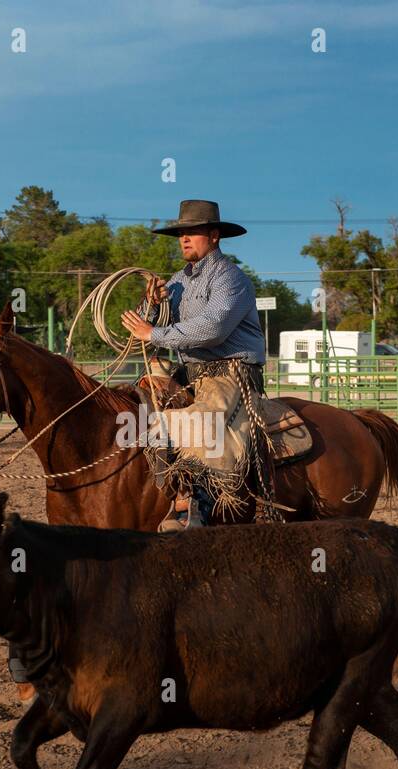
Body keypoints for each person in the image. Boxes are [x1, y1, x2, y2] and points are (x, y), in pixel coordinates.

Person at [120, 199, 268, 530]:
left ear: (214, 236)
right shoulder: (176, 281)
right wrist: (152, 304)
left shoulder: (231, 279)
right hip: (189, 374)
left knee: (202, 424)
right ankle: (155, 491)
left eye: (193, 232)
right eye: (181, 233)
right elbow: (148, 327)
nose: (184, 239)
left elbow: (214, 328)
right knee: (138, 405)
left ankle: (196, 503)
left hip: (230, 374)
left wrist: (154, 331)